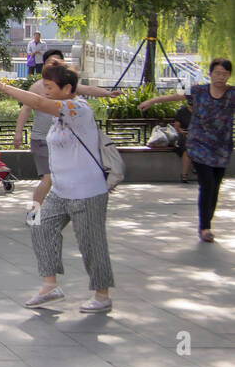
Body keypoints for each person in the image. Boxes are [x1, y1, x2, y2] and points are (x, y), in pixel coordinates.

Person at [0, 64, 115, 313]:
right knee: (39, 225)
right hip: (61, 190)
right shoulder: (58, 117)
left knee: (91, 243)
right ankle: (50, 285)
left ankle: (102, 295)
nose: (46, 92)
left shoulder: (78, 108)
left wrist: (2, 87)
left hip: (87, 191)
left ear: (67, 89)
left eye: (50, 87)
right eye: (44, 87)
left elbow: (38, 103)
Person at [13, 48, 117, 225]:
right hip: (41, 139)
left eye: (59, 63)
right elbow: (27, 108)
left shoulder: (67, 90)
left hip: (61, 143)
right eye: (52, 63)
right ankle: (33, 215)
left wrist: (108, 93)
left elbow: (88, 89)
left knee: (57, 180)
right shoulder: (37, 87)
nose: (55, 66)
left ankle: (64, 214)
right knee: (48, 179)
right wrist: (18, 133)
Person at [140, 58, 234, 242]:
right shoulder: (199, 91)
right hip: (199, 146)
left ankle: (207, 222)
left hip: (221, 148)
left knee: (215, 187)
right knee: (206, 185)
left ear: (229, 75)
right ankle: (204, 227)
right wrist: (153, 100)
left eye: (224, 74)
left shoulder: (232, 94)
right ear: (210, 73)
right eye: (217, 73)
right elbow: (176, 97)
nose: (220, 77)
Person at [174, 102, 193, 183]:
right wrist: (183, 132)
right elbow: (177, 126)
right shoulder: (182, 111)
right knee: (187, 149)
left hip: (198, 135)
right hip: (184, 135)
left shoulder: (201, 111)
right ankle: (184, 175)